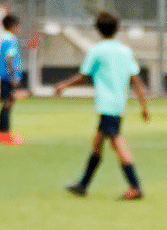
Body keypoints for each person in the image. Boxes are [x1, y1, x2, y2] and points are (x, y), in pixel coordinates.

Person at [53, 11, 149, 200]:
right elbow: (136, 80)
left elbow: (84, 75)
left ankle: (135, 186)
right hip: (118, 104)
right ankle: (83, 184)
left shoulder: (97, 50)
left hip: (107, 104)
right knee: (98, 142)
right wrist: (144, 106)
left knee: (117, 142)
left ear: (98, 29)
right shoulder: (125, 51)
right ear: (117, 28)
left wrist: (63, 85)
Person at [0, 13, 23, 144]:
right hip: (8, 76)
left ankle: (1, 133)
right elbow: (9, 59)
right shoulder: (11, 40)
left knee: (6, 103)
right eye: (17, 26)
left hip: (3, 75)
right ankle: (5, 134)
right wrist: (14, 76)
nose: (18, 29)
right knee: (8, 103)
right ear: (12, 26)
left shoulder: (3, 39)